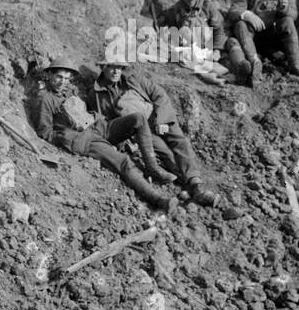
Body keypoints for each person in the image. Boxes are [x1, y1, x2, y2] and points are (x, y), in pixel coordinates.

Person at [27, 61, 176, 211]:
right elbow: (45, 133)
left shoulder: (68, 91)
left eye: (66, 78)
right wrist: (66, 137)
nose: (62, 82)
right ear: (50, 75)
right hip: (84, 139)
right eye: (58, 77)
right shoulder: (45, 99)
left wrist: (97, 118)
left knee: (138, 119)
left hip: (98, 127)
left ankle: (152, 168)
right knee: (123, 161)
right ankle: (158, 200)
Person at [89, 55, 229, 210]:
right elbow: (107, 123)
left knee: (180, 143)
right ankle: (189, 187)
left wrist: (161, 120)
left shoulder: (134, 80)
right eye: (112, 67)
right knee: (165, 152)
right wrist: (126, 141)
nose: (116, 71)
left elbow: (159, 95)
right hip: (141, 130)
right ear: (103, 67)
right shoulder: (96, 95)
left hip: (158, 117)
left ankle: (197, 185)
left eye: (120, 67)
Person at [156, 0, 228, 68]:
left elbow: (219, 30)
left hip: (211, 47)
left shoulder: (207, 6)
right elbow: (168, 29)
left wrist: (217, 50)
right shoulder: (175, 10)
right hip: (194, 50)